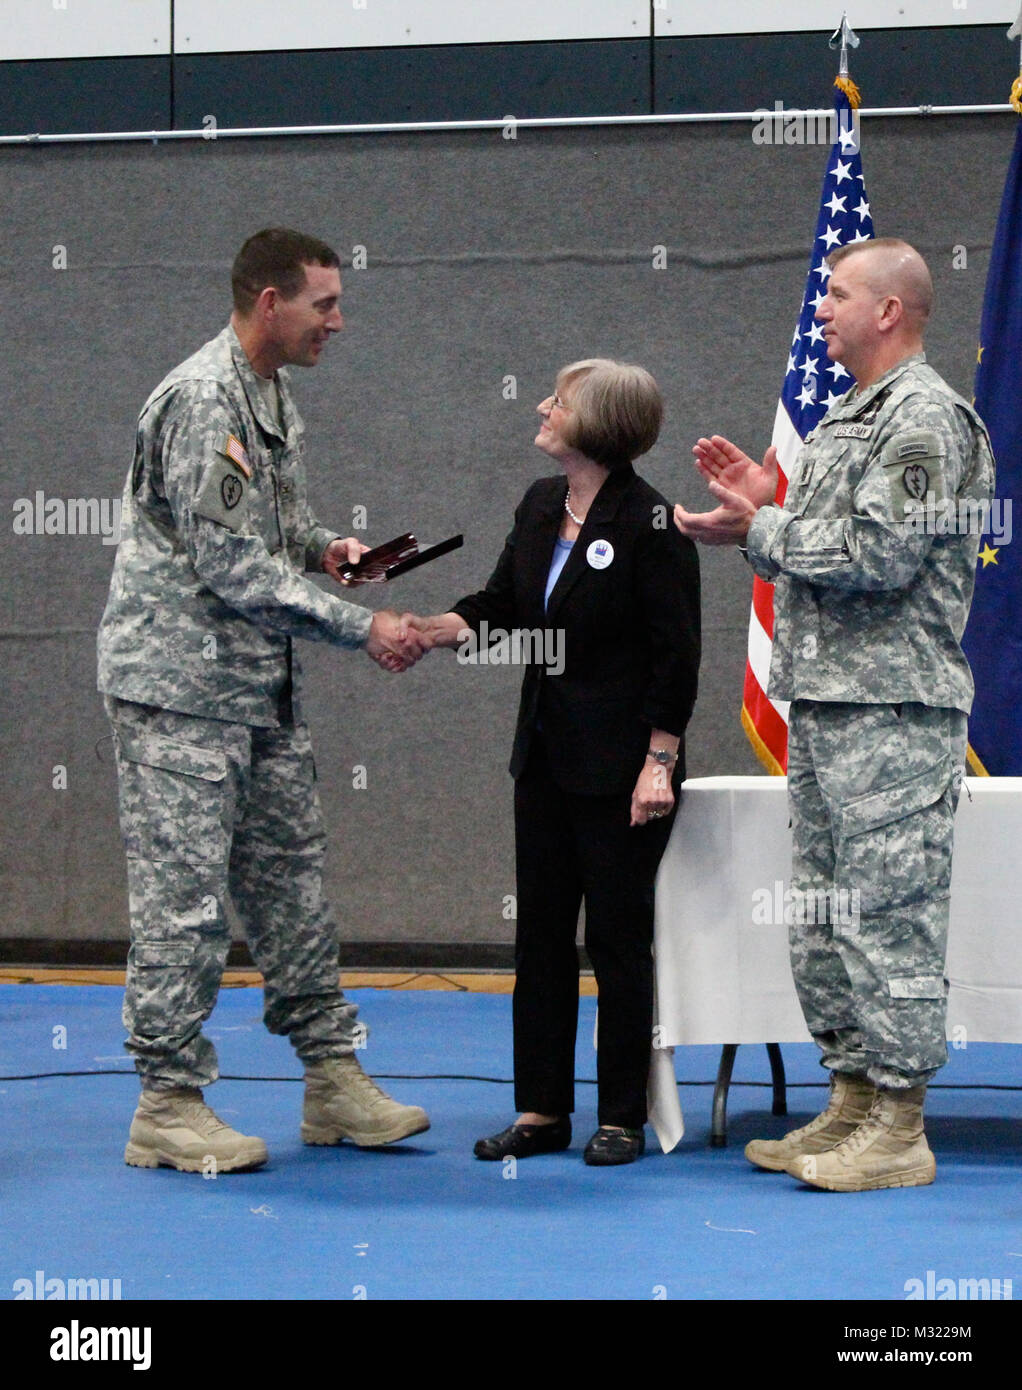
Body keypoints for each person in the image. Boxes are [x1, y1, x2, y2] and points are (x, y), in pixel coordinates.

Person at [97, 227, 429, 1173]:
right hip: (181, 696)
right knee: (185, 902)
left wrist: (327, 549)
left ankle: (333, 1080)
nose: (339, 320)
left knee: (293, 889)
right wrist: (363, 627)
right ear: (269, 303)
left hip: (256, 689)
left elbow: (268, 529)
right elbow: (233, 568)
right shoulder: (206, 400)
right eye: (325, 303)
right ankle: (166, 1102)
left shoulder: (268, 391)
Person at [674, 238, 995, 1191]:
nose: (823, 310)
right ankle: (853, 1099)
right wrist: (768, 503)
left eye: (839, 294)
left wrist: (763, 526)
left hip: (893, 714)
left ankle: (900, 1127)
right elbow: (816, 554)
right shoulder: (851, 418)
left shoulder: (925, 420)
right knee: (825, 920)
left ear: (889, 311)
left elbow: (880, 557)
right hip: (827, 705)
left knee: (888, 921)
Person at [408, 360, 700, 1165]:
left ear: (598, 423)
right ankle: (540, 1110)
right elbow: (503, 610)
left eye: (560, 401)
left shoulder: (652, 524)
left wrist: (658, 762)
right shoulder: (541, 506)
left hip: (623, 768)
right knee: (539, 940)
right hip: (543, 757)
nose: (541, 406)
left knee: (616, 940)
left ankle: (620, 1115)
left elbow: (677, 656)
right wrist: (432, 630)